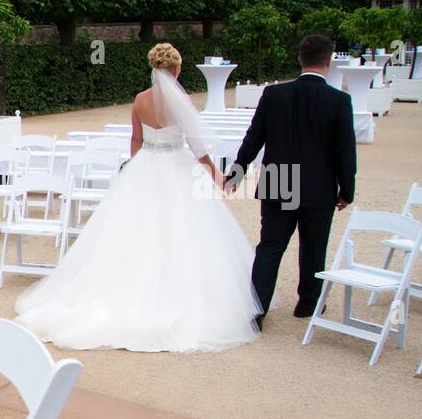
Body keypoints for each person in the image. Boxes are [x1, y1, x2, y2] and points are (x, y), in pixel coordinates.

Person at [14, 43, 261, 352]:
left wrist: (136, 168)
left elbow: (136, 139)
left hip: (145, 164)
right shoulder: (182, 101)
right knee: (183, 233)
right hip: (176, 166)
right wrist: (216, 176)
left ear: (153, 68)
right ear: (176, 70)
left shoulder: (140, 100)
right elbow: (197, 145)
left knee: (132, 233)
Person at [225, 34, 357, 328]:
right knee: (313, 247)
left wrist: (237, 170)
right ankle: (307, 305)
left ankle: (256, 310)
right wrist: (346, 189)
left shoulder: (274, 95)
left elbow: (254, 137)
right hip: (318, 183)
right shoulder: (339, 101)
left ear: (299, 59)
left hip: (279, 178)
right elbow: (345, 150)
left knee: (270, 246)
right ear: (329, 61)